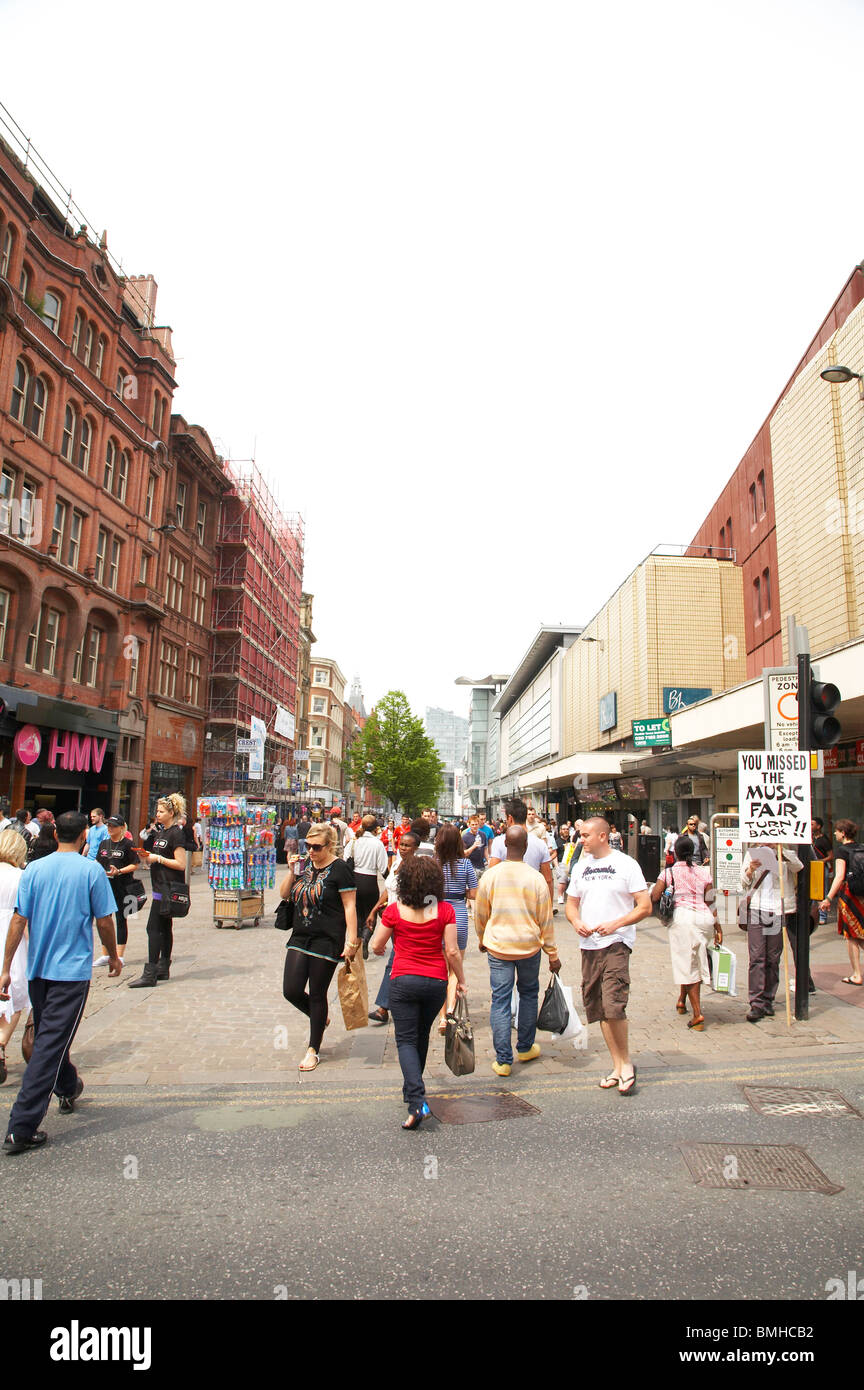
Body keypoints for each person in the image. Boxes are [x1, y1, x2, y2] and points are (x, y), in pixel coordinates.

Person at [1, 811, 120, 1154]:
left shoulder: (34, 870)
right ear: (85, 834)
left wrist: (7, 967)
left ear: (55, 835)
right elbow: (105, 921)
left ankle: (68, 1085)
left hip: (38, 971)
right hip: (70, 974)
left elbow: (18, 921)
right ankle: (20, 1128)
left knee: (53, 1036)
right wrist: (113, 955)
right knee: (49, 1043)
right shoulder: (91, 871)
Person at [371, 853, 466, 1130]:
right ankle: (413, 1091)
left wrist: (387, 947)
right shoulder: (445, 910)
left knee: (405, 1041)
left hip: (403, 980)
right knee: (420, 1036)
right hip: (435, 982)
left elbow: (377, 945)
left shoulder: (394, 910)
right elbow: (452, 951)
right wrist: (460, 980)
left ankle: (416, 1100)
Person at [565, 816, 651, 1095]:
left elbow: (645, 906)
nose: (582, 839)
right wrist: (576, 922)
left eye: (587, 835)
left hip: (616, 943)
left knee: (614, 1004)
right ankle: (617, 1066)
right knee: (598, 1008)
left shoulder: (627, 864)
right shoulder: (580, 867)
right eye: (581, 835)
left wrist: (615, 924)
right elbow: (571, 905)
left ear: (603, 836)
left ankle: (626, 1065)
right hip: (588, 946)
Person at [475, 825, 559, 1076]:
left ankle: (503, 1060)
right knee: (529, 994)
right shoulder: (536, 879)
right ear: (525, 847)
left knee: (500, 1000)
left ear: (504, 846)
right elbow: (546, 920)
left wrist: (482, 938)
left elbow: (480, 914)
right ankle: (524, 1046)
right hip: (529, 947)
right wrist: (552, 954)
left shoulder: (490, 876)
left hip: (499, 946)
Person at [280, 822, 358, 1071]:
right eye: (307, 846)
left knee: (316, 993)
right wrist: (292, 871)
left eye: (316, 847)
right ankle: (319, 1017)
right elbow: (284, 895)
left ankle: (313, 1049)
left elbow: (349, 906)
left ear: (329, 845)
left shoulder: (340, 869)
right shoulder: (305, 866)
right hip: (300, 935)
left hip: (327, 938)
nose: (310, 851)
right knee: (291, 990)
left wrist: (352, 941)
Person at [651, 834, 721, 1029]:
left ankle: (698, 1014)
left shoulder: (668, 873)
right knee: (693, 960)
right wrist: (718, 926)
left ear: (675, 852)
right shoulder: (704, 872)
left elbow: (655, 895)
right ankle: (682, 1000)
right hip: (704, 918)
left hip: (682, 919)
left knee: (687, 965)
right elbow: (710, 900)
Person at [128, 794, 187, 988]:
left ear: (171, 813)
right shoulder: (161, 833)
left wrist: (157, 859)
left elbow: (181, 864)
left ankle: (150, 971)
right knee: (163, 927)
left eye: (161, 811)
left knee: (153, 928)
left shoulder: (176, 833)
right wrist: (147, 856)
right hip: (159, 885)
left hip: (168, 887)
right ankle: (163, 967)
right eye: (157, 811)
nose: (158, 814)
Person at [740, 842, 803, 1022]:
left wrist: (781, 853)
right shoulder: (753, 852)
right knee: (757, 956)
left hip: (777, 909)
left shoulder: (786, 852)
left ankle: (768, 999)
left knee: (773, 957)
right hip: (757, 909)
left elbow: (798, 867)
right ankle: (756, 1002)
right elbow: (743, 881)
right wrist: (750, 870)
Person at [367, 832, 420, 1024]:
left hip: (404, 920)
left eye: (408, 845)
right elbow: (388, 889)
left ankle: (384, 1006)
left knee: (395, 960)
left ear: (415, 848)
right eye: (402, 844)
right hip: (390, 919)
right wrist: (374, 909)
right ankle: (390, 1004)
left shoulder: (415, 869)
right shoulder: (396, 864)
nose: (403, 848)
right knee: (397, 960)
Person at [434, 822, 478, 1030]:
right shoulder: (465, 864)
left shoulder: (434, 863)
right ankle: (451, 1009)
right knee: (455, 968)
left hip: (437, 913)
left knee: (441, 969)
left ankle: (442, 1017)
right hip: (458, 914)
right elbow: (474, 893)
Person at [0, 829, 30, 1086]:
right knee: (16, 996)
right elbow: (25, 916)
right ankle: (1, 1042)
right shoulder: (22, 877)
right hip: (13, 938)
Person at [820, 819, 864, 987]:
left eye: (837, 831)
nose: (835, 833)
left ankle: (856, 975)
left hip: (849, 896)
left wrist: (828, 898)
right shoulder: (862, 847)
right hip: (862, 894)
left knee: (851, 935)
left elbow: (839, 876)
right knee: (860, 932)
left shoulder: (842, 851)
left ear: (843, 833)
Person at [488, 798, 554, 904]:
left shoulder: (499, 842)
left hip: (504, 900)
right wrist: (548, 907)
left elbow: (491, 875)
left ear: (510, 818)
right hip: (532, 899)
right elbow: (548, 880)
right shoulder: (540, 844)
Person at [94, 816, 140, 965]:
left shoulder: (128, 844)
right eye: (108, 825)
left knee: (121, 919)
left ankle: (119, 955)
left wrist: (119, 871)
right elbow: (97, 862)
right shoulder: (104, 844)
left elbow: (135, 864)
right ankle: (105, 954)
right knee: (104, 920)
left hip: (123, 886)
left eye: (113, 826)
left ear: (121, 827)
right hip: (105, 886)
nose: (110, 828)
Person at [345, 815, 388, 958]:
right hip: (370, 881)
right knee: (371, 913)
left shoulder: (354, 842)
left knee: (356, 912)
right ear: (376, 828)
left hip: (355, 879)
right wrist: (390, 882)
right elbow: (383, 868)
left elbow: (345, 860)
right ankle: (365, 939)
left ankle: (357, 940)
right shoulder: (377, 843)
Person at [462, 814, 487, 880]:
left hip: (482, 866)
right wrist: (473, 846)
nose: (474, 826)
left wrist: (488, 860)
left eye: (476, 824)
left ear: (478, 825)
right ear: (469, 825)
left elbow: (485, 849)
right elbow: (463, 854)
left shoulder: (483, 835)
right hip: (471, 867)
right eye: (472, 825)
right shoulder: (465, 837)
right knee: (474, 888)